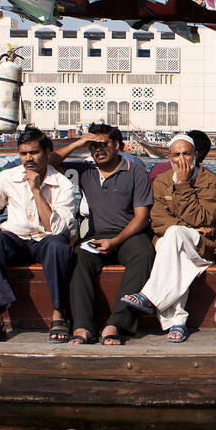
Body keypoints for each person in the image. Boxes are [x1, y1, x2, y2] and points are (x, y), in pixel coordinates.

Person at [0, 127, 78, 342]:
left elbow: (56, 229)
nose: (28, 158)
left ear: (47, 153)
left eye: (34, 153)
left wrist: (36, 190)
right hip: (16, 240)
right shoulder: (7, 178)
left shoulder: (63, 184)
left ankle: (58, 313)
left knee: (58, 245)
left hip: (46, 240)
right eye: (23, 153)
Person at [52, 124, 154, 345]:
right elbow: (49, 162)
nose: (98, 150)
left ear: (117, 145)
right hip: (97, 234)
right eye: (93, 146)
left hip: (129, 235)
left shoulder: (135, 171)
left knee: (144, 254)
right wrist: (79, 142)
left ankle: (115, 323)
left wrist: (115, 241)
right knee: (78, 256)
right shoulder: (85, 171)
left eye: (104, 144)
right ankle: (82, 326)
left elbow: (141, 218)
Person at [119, 133, 216, 343]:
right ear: (169, 157)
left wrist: (184, 186)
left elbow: (203, 217)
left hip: (205, 245)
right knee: (175, 245)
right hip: (174, 242)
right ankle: (177, 322)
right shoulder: (162, 182)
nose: (181, 159)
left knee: (174, 235)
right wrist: (193, 227)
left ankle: (149, 296)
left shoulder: (209, 181)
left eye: (186, 154)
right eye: (176, 154)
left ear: (195, 155)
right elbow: (158, 220)